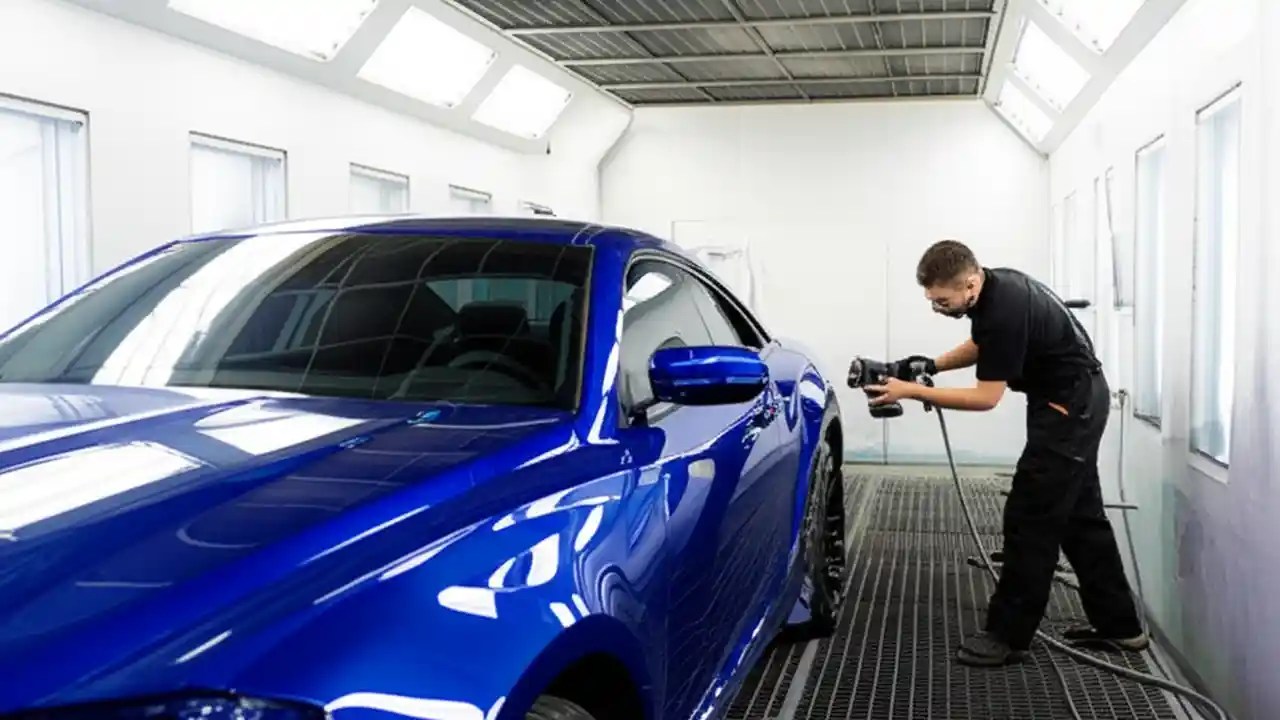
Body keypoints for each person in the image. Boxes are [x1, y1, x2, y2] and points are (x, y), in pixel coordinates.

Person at [865, 239, 1147, 667]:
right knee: (1079, 518)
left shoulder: (1003, 307)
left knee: (1030, 517)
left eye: (942, 301)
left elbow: (985, 397)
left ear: (970, 284)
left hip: (1069, 407)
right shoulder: (998, 289)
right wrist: (931, 366)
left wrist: (911, 390)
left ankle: (1008, 636)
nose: (936, 308)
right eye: (930, 300)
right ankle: (1121, 627)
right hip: (1073, 400)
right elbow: (989, 346)